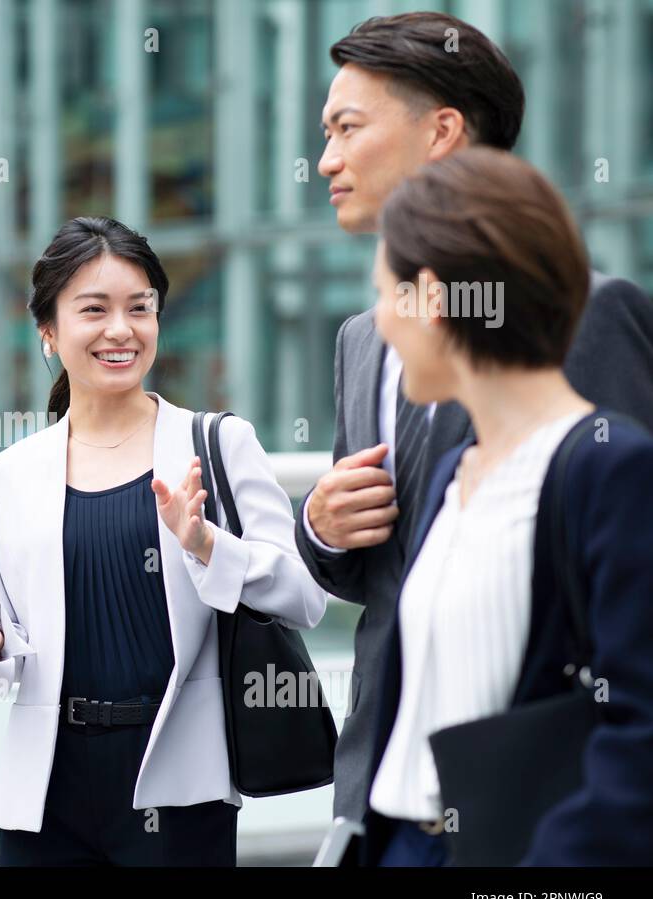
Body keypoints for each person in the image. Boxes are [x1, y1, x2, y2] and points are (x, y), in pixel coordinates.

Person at [300, 11, 653, 825]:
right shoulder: (363, 338)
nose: (325, 161)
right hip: (379, 792)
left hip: (528, 811)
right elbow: (378, 574)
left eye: (347, 128)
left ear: (442, 132)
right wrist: (322, 527)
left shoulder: (588, 316)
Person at [0, 216, 326, 866]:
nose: (121, 330)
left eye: (140, 309)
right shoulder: (10, 475)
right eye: (94, 310)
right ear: (48, 332)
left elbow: (304, 598)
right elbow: (9, 640)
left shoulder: (215, 443)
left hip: (180, 787)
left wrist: (209, 545)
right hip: (47, 790)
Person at [359, 147, 653, 865]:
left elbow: (641, 728)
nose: (379, 325)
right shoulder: (456, 472)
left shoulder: (610, 469)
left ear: (431, 299)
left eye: (383, 295)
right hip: (404, 843)